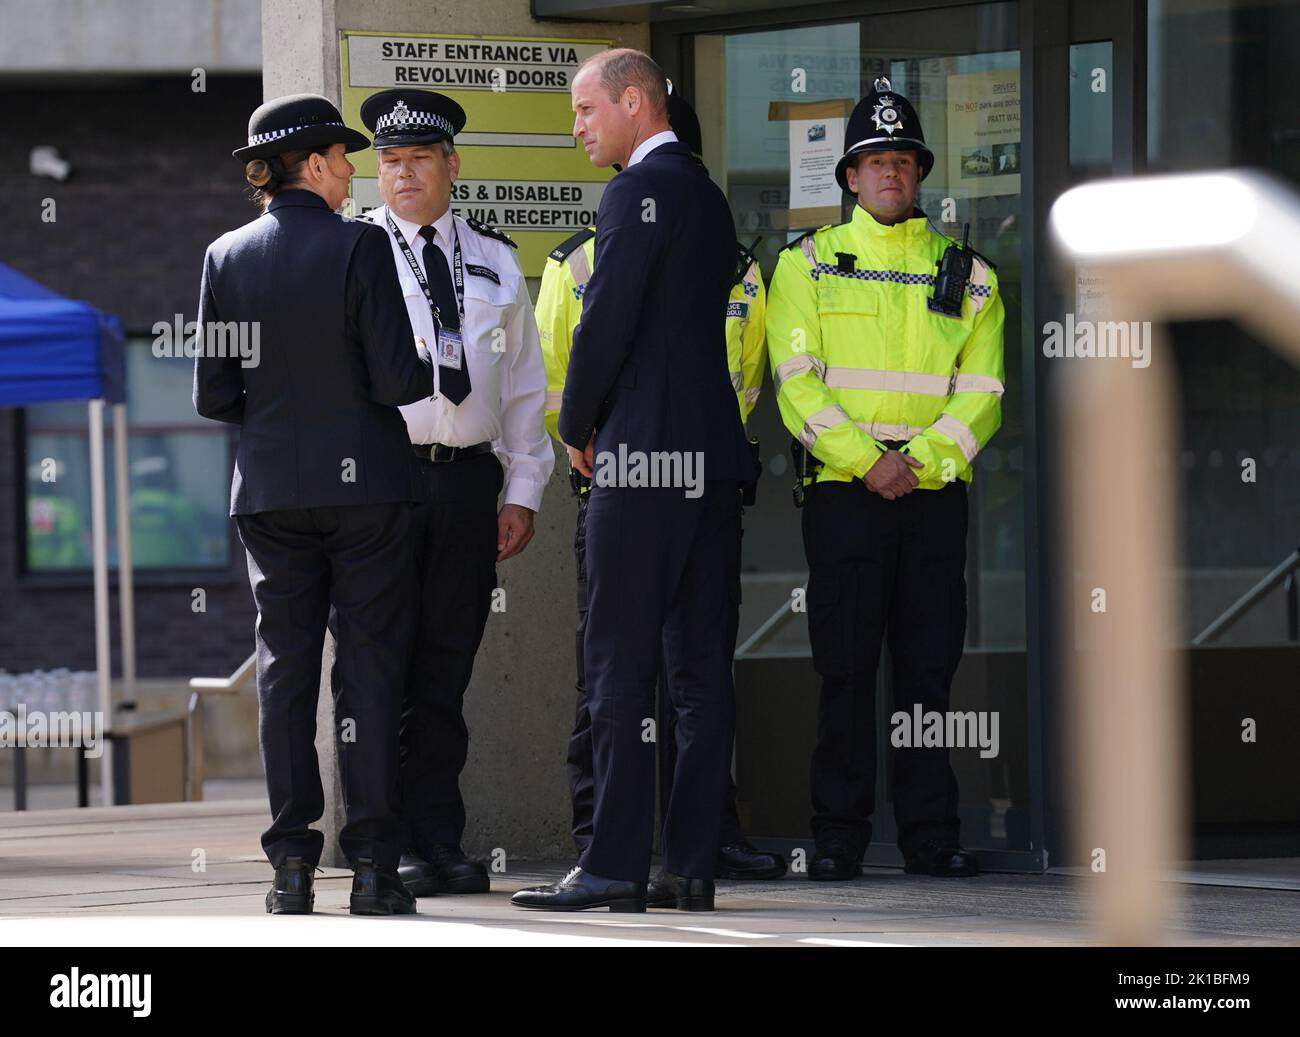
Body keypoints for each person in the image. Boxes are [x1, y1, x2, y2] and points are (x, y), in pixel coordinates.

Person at [512, 48, 752, 913]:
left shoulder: (632, 193)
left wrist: (575, 426)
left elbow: (605, 318)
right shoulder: (711, 197)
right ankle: (690, 864)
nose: (575, 126)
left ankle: (612, 862)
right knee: (699, 674)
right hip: (712, 464)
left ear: (636, 102)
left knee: (614, 663)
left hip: (641, 463)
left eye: (584, 110)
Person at [194, 93, 436, 915]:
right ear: (322, 163)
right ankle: (372, 866)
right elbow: (399, 380)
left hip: (268, 491)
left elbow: (214, 393)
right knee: (368, 671)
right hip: (366, 489)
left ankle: (291, 868)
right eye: (348, 158)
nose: (354, 173)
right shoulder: (361, 246)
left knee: (286, 673)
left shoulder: (223, 256)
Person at [765, 78, 1004, 880]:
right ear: (849, 178)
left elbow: (984, 394)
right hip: (846, 494)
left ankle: (929, 834)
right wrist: (871, 462)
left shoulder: (969, 274)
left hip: (933, 497)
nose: (891, 172)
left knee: (929, 669)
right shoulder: (808, 265)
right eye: (875, 160)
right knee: (845, 666)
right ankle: (837, 836)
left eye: (903, 159)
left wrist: (922, 463)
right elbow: (796, 382)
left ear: (920, 173)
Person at [350, 88, 553, 898]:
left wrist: (524, 486)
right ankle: (384, 842)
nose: (402, 174)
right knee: (381, 670)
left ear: (451, 167)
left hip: (468, 484)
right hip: (385, 485)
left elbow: (524, 385)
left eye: (418, 159)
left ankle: (439, 837)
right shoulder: (354, 249)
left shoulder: (496, 258)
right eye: (389, 161)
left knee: (445, 671)